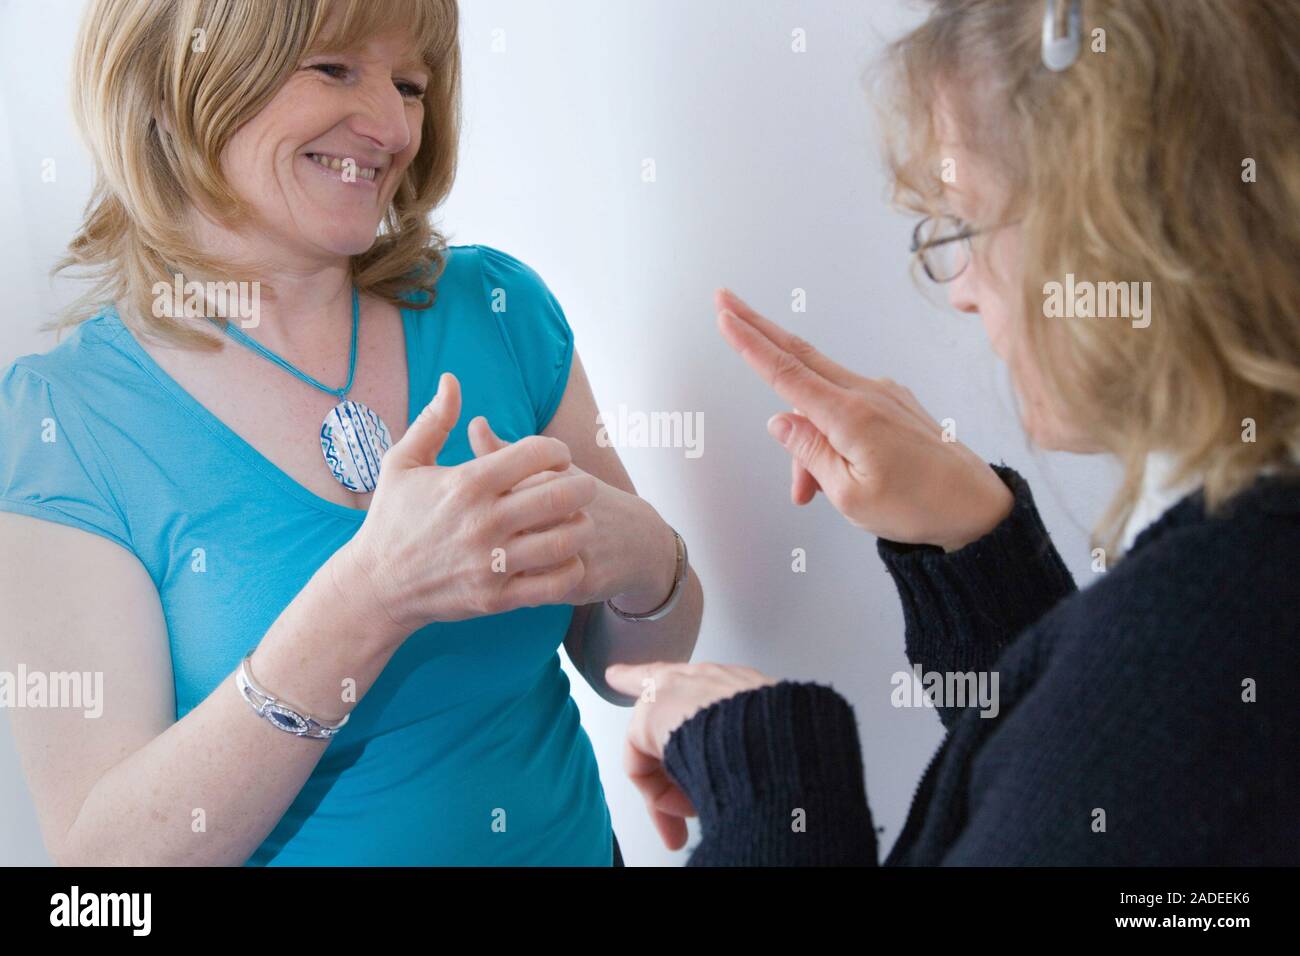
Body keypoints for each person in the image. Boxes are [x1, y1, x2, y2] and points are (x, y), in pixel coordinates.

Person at [0, 0, 702, 866]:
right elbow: (100, 877)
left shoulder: (497, 310)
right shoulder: (69, 420)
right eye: (334, 69)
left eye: (410, 83)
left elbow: (625, 670)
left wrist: (651, 559)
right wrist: (368, 598)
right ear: (175, 75)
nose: (391, 126)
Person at [605, 0, 1299, 865]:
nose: (963, 288)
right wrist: (980, 555)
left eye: (965, 223)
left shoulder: (1206, 646)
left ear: (1116, 225)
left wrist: (764, 774)